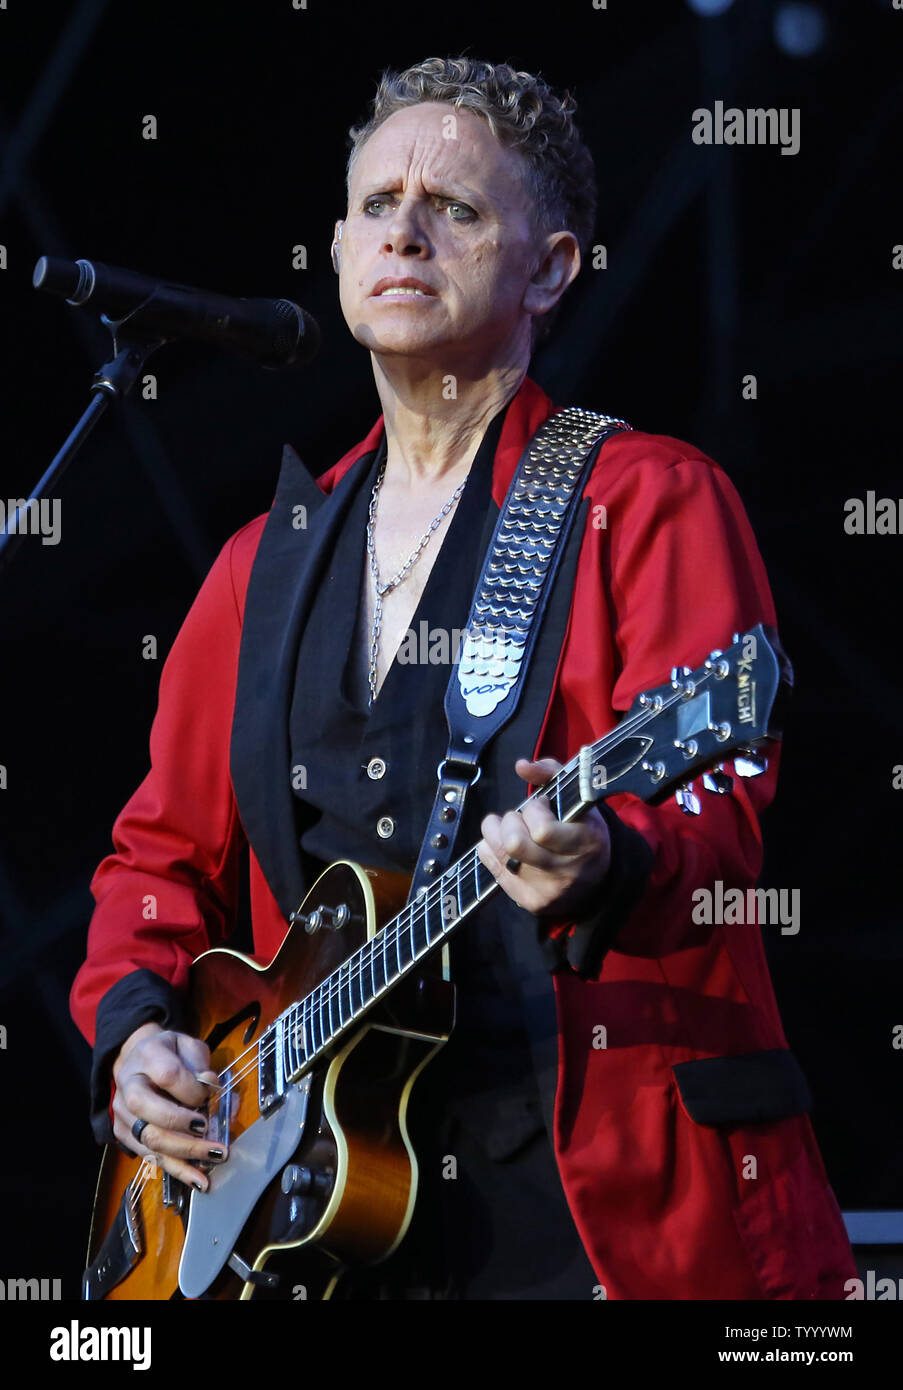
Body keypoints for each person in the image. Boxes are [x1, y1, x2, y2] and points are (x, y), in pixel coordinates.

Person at [70, 56, 857, 1300]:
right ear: (334, 251)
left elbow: (725, 814)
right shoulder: (253, 570)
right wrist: (135, 1038)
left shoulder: (643, 499)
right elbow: (154, 865)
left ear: (547, 268)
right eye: (378, 203)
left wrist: (613, 858)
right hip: (328, 1222)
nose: (407, 230)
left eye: (458, 208)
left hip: (592, 1202)